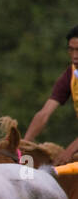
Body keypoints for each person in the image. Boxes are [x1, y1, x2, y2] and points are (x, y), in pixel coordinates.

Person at [22, 24, 78, 161]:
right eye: (71, 50)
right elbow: (44, 114)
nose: (75, 56)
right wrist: (24, 145)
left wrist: (69, 152)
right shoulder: (70, 74)